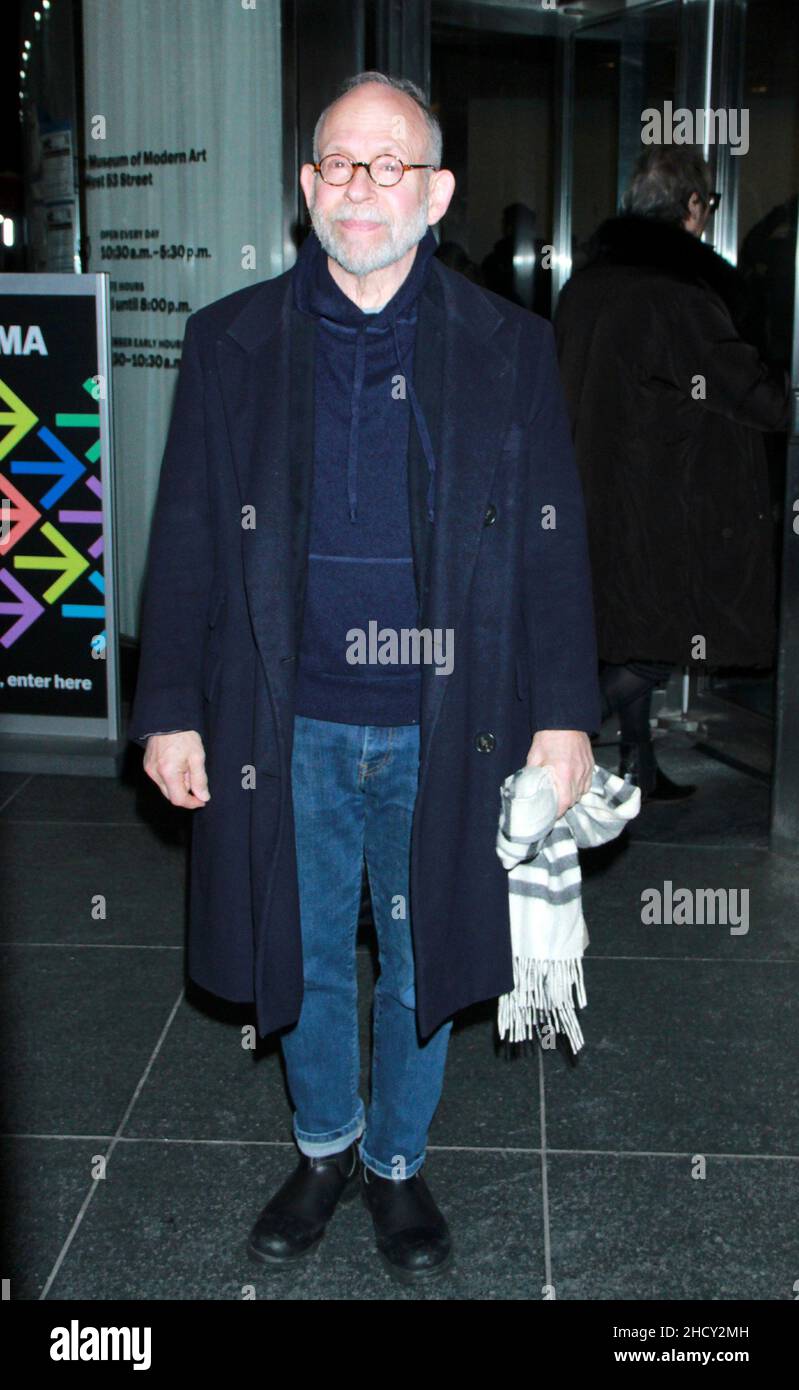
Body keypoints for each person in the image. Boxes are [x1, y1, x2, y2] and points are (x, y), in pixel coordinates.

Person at [129, 70, 600, 1286]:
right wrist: (170, 707)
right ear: (306, 187)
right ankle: (325, 1144)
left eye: (391, 166)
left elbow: (550, 539)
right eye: (340, 163)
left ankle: (396, 1161)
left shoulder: (510, 347)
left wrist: (563, 717)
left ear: (436, 193)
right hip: (281, 715)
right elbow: (184, 530)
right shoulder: (228, 340)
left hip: (450, 720)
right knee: (303, 948)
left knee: (423, 944)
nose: (361, 188)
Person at [554, 146, 791, 799]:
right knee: (648, 647)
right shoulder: (676, 295)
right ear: (690, 208)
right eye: (706, 203)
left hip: (595, 492)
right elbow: (754, 395)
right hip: (661, 502)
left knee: (626, 632)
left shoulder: (588, 285)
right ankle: (540, 752)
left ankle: (637, 762)